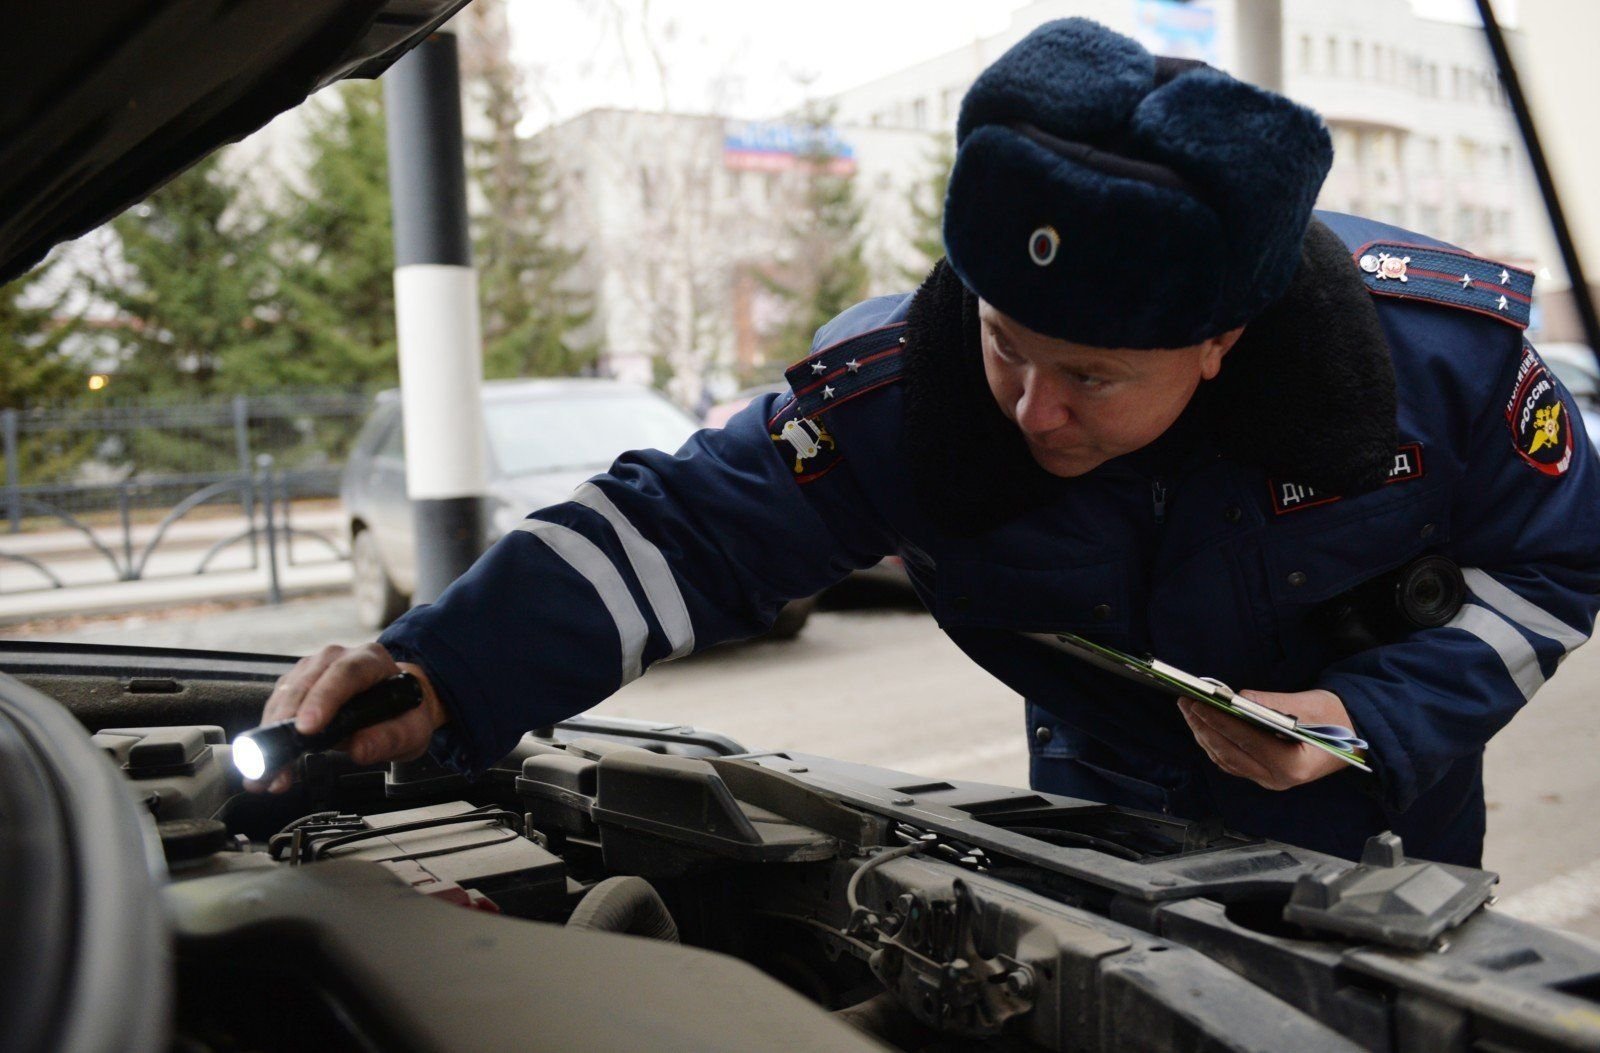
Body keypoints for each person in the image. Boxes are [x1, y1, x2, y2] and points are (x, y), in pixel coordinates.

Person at [250, 19, 1600, 868]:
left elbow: (1556, 572)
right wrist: (440, 667)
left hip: (1386, 840)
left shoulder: (1445, 367)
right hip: (1103, 825)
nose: (1029, 408)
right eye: (1008, 341)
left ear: (1222, 340)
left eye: (1092, 374)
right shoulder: (913, 388)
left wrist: (1371, 718)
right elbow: (684, 531)